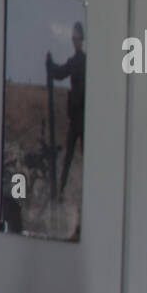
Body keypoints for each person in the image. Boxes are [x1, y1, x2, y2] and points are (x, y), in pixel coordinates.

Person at [45, 21, 85, 197]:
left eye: (78, 39)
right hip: (75, 117)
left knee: (86, 157)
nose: (75, 42)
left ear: (82, 40)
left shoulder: (86, 61)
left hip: (86, 118)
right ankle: (61, 190)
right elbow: (60, 73)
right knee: (68, 154)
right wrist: (50, 65)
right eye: (73, 39)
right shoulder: (73, 62)